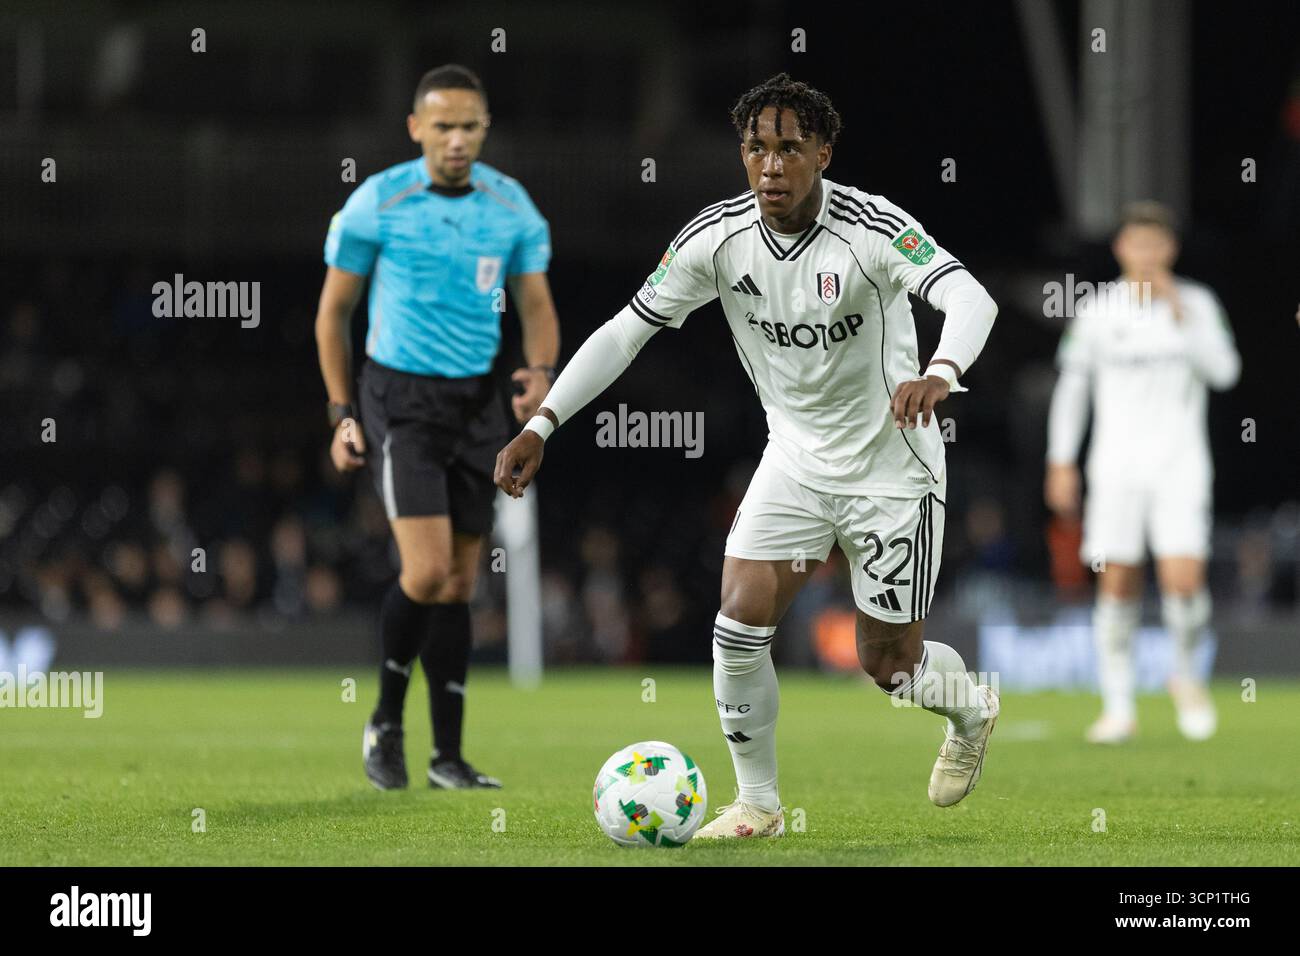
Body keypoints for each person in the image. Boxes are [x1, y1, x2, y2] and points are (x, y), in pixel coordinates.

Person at [494, 74, 999, 838]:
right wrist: (545, 423)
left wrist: (942, 371)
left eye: (789, 148)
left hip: (892, 467)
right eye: (756, 148)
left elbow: (971, 299)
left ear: (823, 153)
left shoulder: (869, 228)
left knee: (890, 667)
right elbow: (628, 331)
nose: (770, 165)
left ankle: (971, 709)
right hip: (794, 461)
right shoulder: (717, 238)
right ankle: (758, 804)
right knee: (737, 625)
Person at [315, 64, 560, 789]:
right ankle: (385, 722)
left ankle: (447, 757)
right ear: (416, 128)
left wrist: (540, 373)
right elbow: (333, 313)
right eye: (443, 126)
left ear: (485, 130)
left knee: (458, 585)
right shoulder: (378, 203)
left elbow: (537, 306)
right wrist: (340, 414)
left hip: (478, 404)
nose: (457, 140)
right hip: (399, 401)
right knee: (423, 571)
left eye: (470, 127)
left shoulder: (511, 207)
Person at [1046, 201, 1240, 743]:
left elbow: (1226, 372)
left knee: (1184, 583)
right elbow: (1072, 389)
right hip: (1115, 467)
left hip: (1181, 465)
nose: (1148, 253)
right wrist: (1061, 461)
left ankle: (1187, 678)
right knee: (1118, 581)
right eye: (1138, 242)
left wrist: (1180, 312)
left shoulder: (1198, 302)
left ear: (1170, 249)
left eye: (1158, 243)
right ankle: (1118, 706)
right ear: (1121, 249)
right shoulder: (1099, 311)